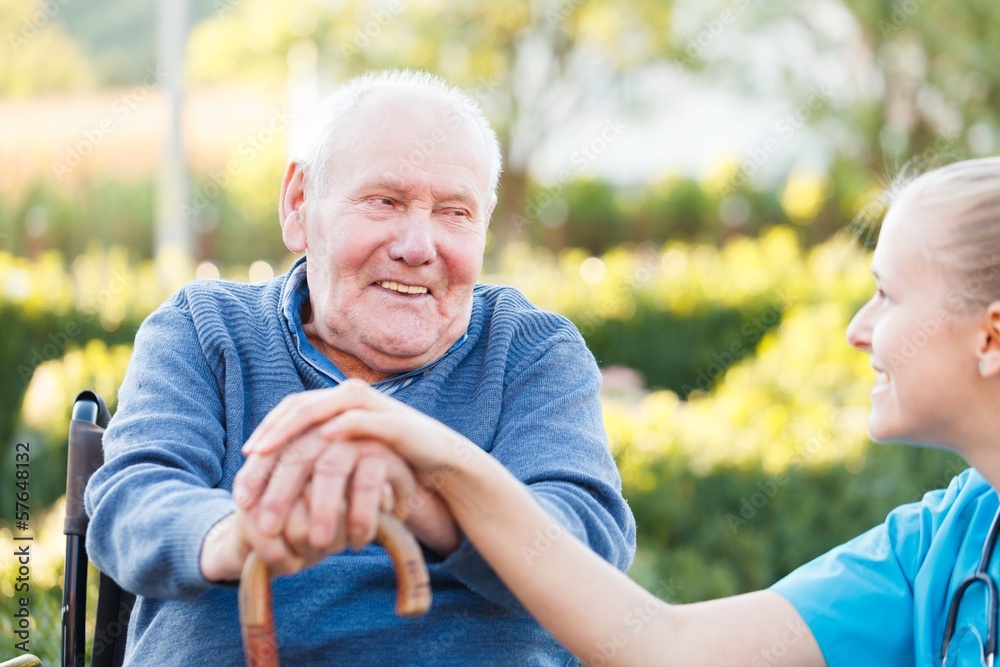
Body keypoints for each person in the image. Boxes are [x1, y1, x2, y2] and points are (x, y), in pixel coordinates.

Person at [242, 157, 1000, 666]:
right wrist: (439, 458)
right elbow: (659, 646)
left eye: (887, 295)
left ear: (991, 335)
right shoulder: (947, 539)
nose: (858, 329)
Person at [84, 69, 636, 665]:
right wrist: (239, 534)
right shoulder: (204, 329)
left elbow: (587, 548)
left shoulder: (532, 351)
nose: (418, 247)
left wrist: (423, 494)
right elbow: (131, 502)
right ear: (299, 204)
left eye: (455, 212)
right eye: (384, 202)